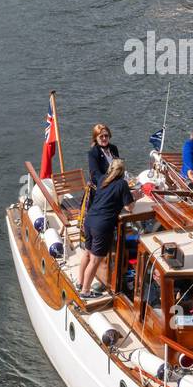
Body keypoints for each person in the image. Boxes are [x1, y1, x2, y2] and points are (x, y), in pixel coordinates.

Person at [78, 159, 135, 297]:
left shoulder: (103, 179)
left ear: (110, 169)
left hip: (89, 220)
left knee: (87, 254)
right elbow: (129, 207)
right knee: (94, 261)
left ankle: (80, 283)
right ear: (122, 172)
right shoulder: (122, 184)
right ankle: (85, 291)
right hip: (102, 225)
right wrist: (134, 197)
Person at [87, 124, 120, 190]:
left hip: (115, 183)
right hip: (101, 187)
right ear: (96, 138)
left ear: (109, 136)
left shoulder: (113, 148)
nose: (104, 138)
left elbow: (119, 168)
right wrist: (111, 184)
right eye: (101, 136)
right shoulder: (93, 153)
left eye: (106, 136)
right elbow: (96, 175)